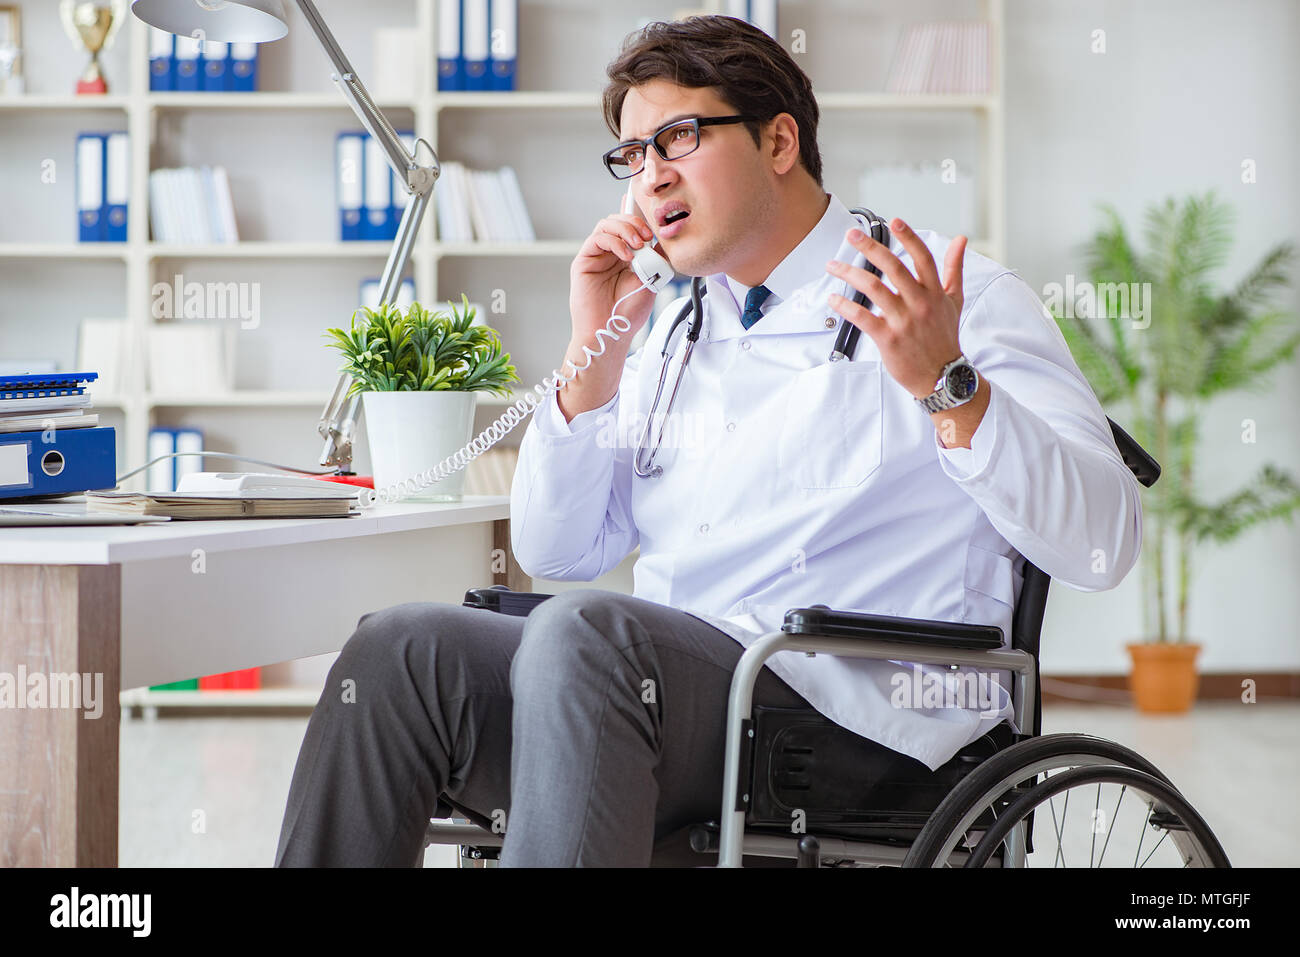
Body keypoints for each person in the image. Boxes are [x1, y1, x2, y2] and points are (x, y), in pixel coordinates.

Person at [275, 15, 1142, 868]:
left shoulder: (954, 295)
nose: (649, 177)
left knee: (589, 637)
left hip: (857, 722)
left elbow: (1104, 540)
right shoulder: (665, 327)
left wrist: (945, 383)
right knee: (400, 650)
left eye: (677, 138)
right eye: (632, 156)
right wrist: (594, 353)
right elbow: (556, 548)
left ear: (778, 141)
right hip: (654, 698)